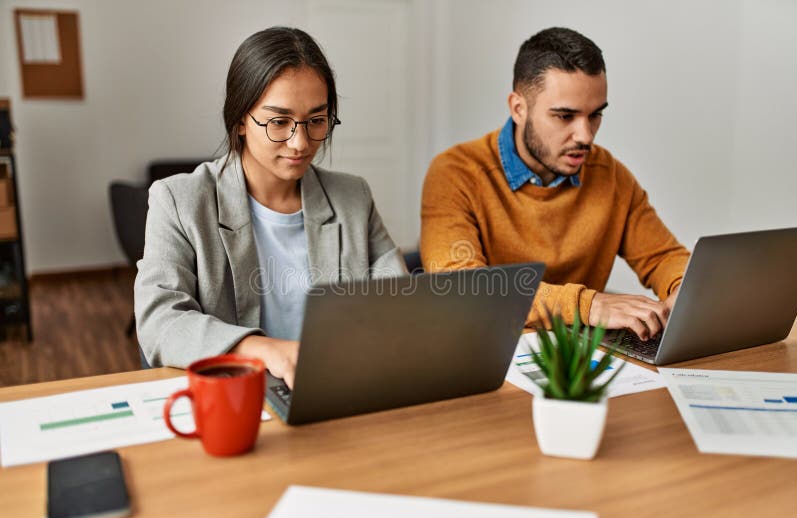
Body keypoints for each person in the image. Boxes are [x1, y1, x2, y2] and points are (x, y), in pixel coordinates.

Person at [135, 27, 406, 387]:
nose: (300, 143)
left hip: (337, 388)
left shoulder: (352, 197)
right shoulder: (178, 200)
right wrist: (263, 350)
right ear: (240, 120)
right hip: (235, 395)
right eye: (279, 122)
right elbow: (159, 321)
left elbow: (398, 305)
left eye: (316, 121)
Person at [420, 27, 689, 341]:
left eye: (595, 115)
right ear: (519, 108)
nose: (585, 136)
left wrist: (683, 290)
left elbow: (663, 257)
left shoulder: (610, 175)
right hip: (488, 351)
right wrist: (588, 305)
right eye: (565, 116)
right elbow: (461, 288)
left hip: (576, 355)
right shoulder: (456, 173)